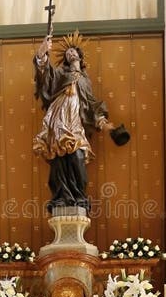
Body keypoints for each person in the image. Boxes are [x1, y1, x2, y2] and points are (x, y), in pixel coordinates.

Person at [33, 31, 116, 212]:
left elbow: (91, 104)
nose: (70, 53)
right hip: (58, 117)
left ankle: (79, 196)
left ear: (79, 55)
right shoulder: (61, 73)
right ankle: (61, 198)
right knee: (59, 157)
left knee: (77, 156)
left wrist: (102, 122)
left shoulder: (85, 80)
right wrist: (42, 54)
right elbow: (46, 78)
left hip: (75, 120)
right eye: (67, 52)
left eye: (73, 51)